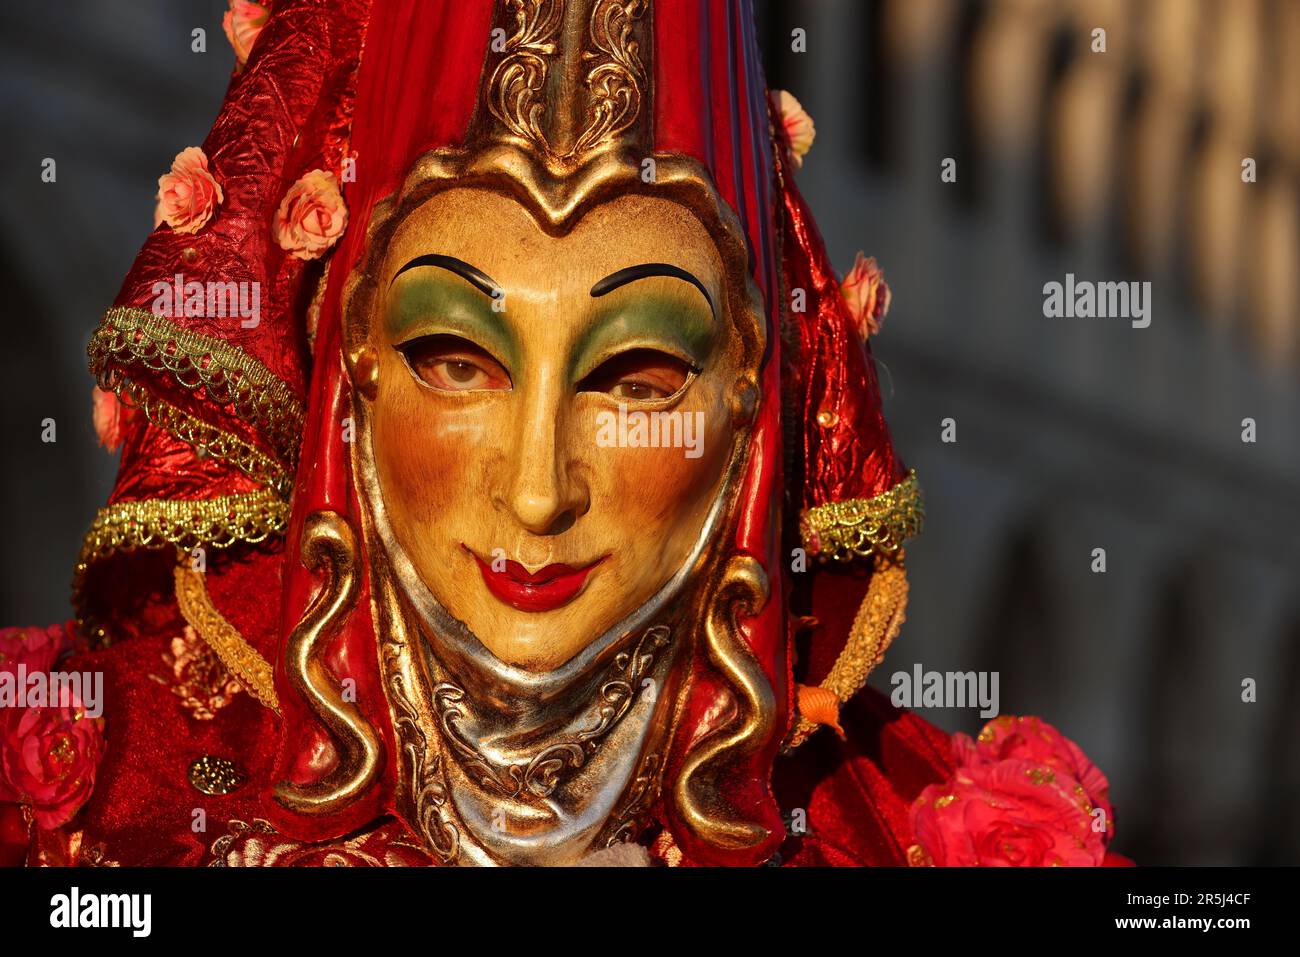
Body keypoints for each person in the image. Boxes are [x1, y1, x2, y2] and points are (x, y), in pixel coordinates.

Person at [0, 0, 1126, 867]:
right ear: (353, 373)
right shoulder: (91, 796)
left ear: (747, 405)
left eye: (635, 378)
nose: (537, 491)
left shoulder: (908, 829)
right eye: (457, 361)